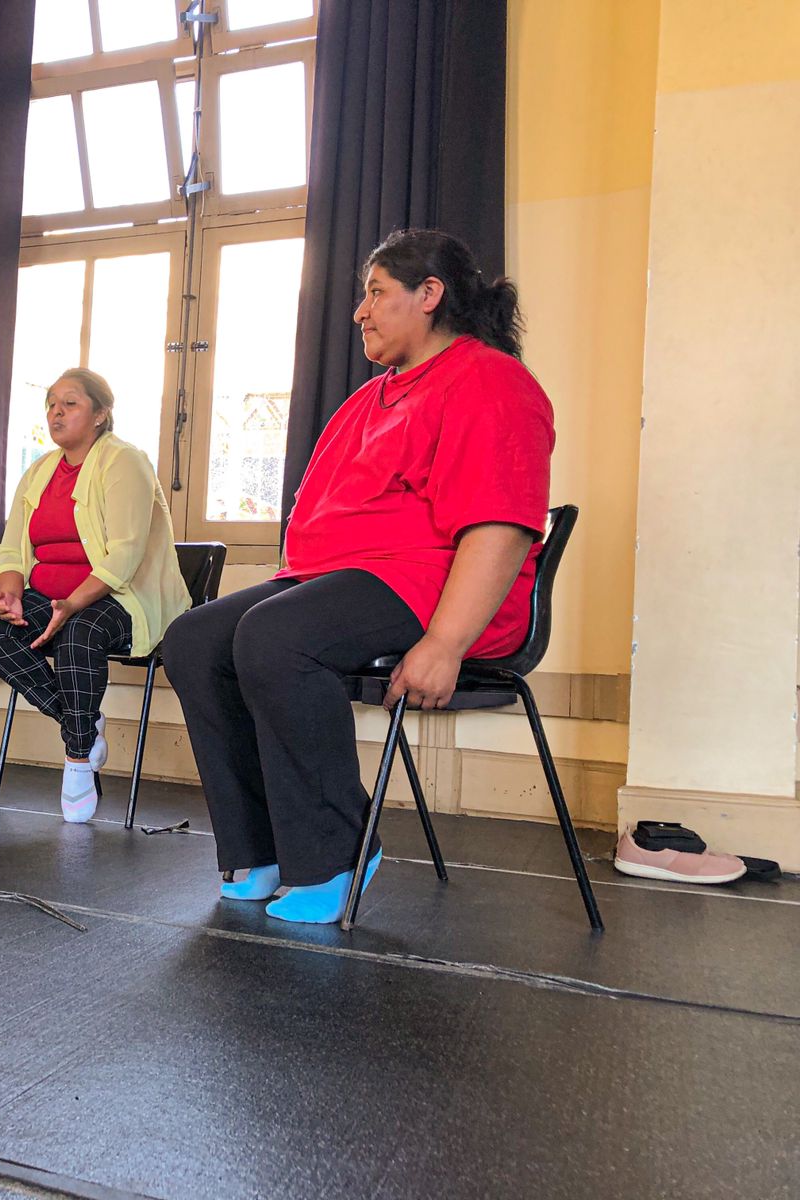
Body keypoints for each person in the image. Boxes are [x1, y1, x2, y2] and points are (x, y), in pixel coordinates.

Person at [164, 229, 555, 924]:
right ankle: (266, 846)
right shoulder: (369, 400)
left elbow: (500, 526)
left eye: (376, 292)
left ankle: (336, 853)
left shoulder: (489, 380)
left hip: (438, 587)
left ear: (429, 294)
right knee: (195, 639)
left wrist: (446, 643)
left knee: (276, 636)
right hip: (345, 579)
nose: (360, 311)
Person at [0, 368, 190, 823]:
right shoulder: (38, 472)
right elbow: (11, 549)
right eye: (51, 404)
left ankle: (76, 759)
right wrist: (11, 593)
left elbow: (125, 553)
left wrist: (71, 603)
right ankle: (84, 726)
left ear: (100, 414)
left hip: (124, 598)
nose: (56, 412)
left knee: (79, 630)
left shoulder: (124, 461)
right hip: (51, 596)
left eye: (70, 403)